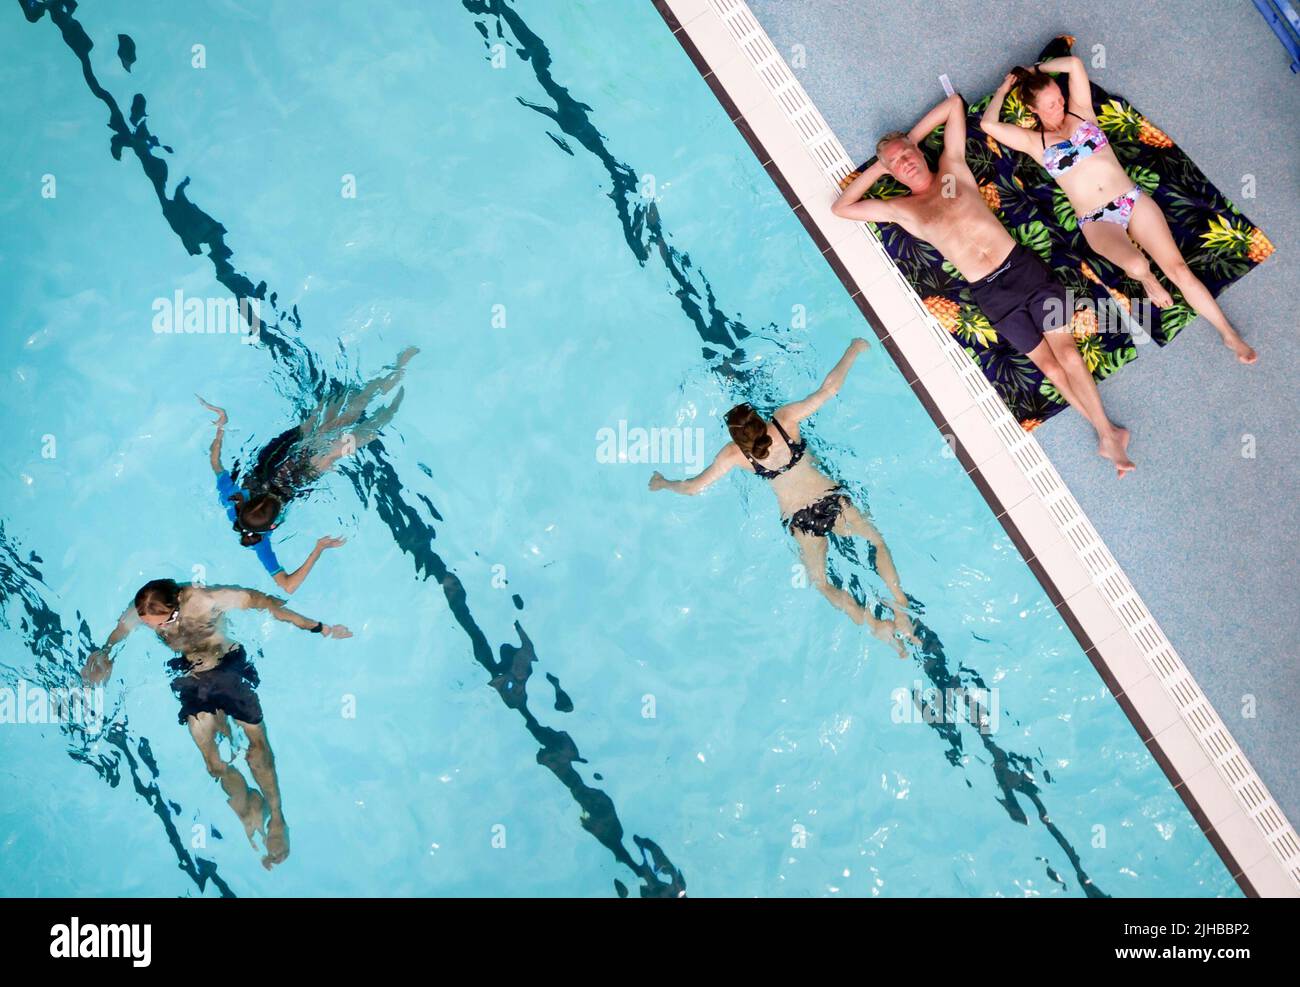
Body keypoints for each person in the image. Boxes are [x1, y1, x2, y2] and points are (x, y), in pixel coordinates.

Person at [832, 95, 1135, 478]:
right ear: (889, 174)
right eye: (894, 164)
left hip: (1022, 270)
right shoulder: (903, 209)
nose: (904, 163)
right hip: (991, 295)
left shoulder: (951, 169)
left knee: (1070, 358)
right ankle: (1107, 434)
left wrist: (907, 142)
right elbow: (842, 209)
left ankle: (1108, 434)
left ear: (919, 151)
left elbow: (954, 105)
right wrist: (882, 164)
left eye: (907, 154)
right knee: (1052, 371)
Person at [981, 58, 1255, 364]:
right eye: (1049, 106)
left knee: (1178, 270)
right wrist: (1007, 85)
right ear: (1033, 111)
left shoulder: (1081, 110)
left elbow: (1073, 64)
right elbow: (988, 124)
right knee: (1138, 266)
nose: (1058, 106)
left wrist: (1035, 70)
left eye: (1058, 98)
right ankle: (1149, 280)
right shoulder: (1035, 142)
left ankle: (1229, 334)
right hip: (1097, 219)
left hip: (1130, 199)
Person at [649, 339, 915, 653]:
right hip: (832, 500)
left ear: (739, 439)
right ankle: (899, 606)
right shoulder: (784, 420)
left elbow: (693, 487)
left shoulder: (734, 455)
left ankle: (874, 626)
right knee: (876, 542)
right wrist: (853, 350)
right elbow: (828, 389)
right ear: (760, 420)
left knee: (821, 583)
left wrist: (664, 482)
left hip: (802, 522)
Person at [81, 578, 350, 869]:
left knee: (256, 748)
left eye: (164, 622)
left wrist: (321, 628)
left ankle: (277, 816)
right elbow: (120, 631)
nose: (160, 630)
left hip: (229, 667)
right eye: (151, 627)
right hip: (192, 674)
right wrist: (103, 654)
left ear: (177, 603)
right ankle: (249, 809)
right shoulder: (144, 611)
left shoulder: (207, 599)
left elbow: (269, 604)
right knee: (213, 763)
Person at [198, 345, 418, 592]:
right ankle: (392, 380)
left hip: (284, 467)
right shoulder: (235, 506)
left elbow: (287, 586)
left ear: (272, 524)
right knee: (331, 430)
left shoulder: (258, 536)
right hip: (282, 464)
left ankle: (390, 405)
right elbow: (215, 463)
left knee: (336, 436)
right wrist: (221, 427)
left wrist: (319, 547)